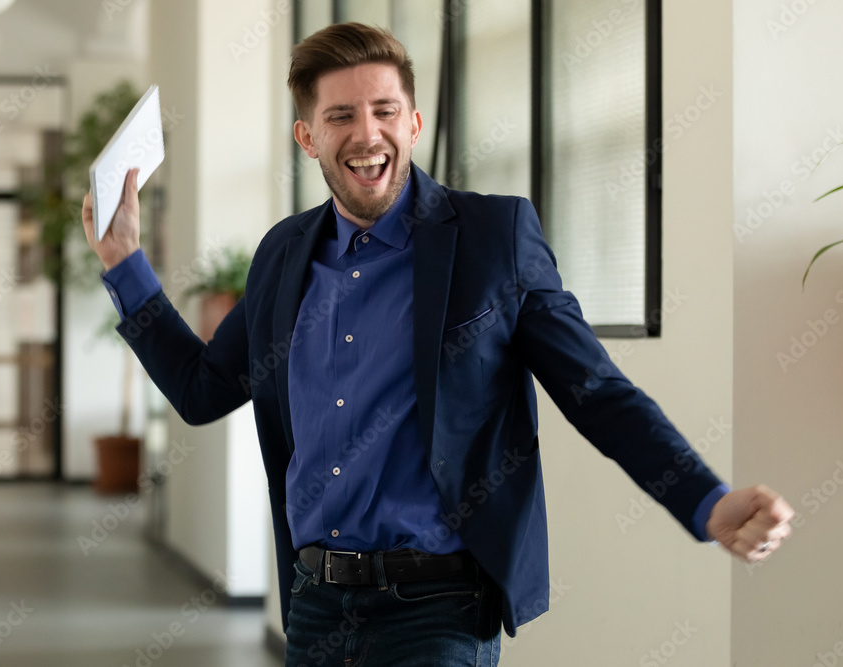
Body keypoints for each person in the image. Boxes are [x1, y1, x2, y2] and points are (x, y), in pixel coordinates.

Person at [81, 21, 793, 667]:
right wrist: (125, 268)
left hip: (440, 608)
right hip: (314, 605)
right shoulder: (281, 255)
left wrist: (706, 499)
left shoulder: (492, 240)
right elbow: (205, 389)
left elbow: (597, 391)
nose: (367, 134)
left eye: (385, 111)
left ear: (413, 122)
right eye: (340, 116)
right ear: (307, 138)